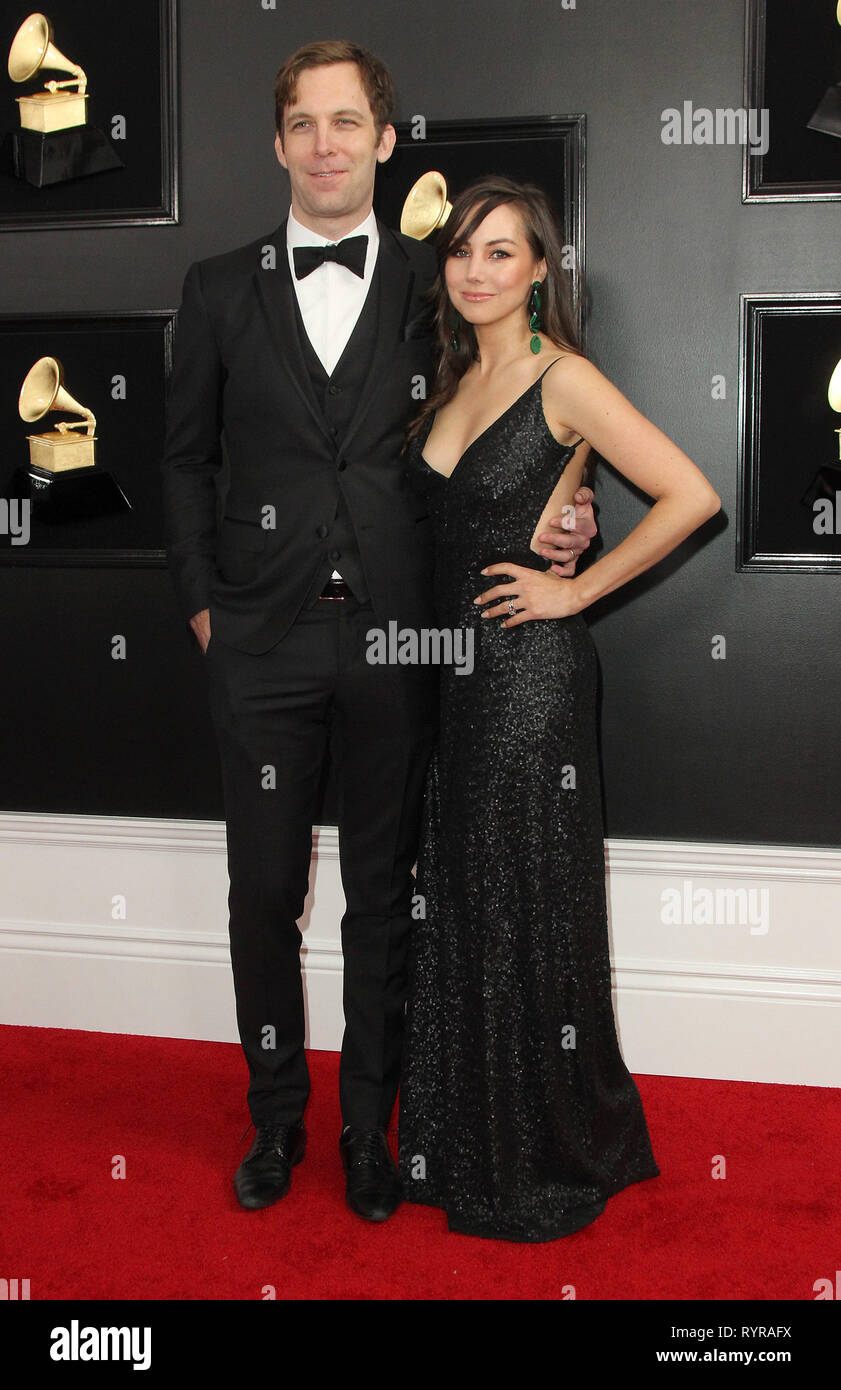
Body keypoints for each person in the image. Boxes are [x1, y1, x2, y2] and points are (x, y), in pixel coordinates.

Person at [161, 44, 597, 1223]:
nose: (324, 143)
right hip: (258, 645)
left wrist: (571, 502)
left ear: (383, 140)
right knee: (262, 895)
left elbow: (521, 405)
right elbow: (185, 462)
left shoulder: (437, 281)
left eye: (346, 121)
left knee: (381, 898)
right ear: (278, 143)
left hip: (404, 646)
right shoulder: (213, 288)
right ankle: (273, 1122)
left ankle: (368, 1136)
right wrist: (208, 605)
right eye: (301, 123)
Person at [398, 175, 722, 1241]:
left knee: (519, 900)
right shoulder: (445, 384)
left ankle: (537, 1149)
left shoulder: (563, 377)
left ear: (540, 268)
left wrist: (575, 585)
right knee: (469, 894)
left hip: (529, 675)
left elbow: (690, 494)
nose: (478, 271)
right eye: (462, 253)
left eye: (502, 252)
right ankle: (468, 1134)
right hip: (450, 675)